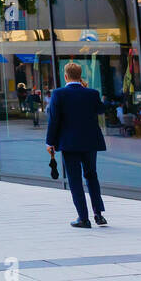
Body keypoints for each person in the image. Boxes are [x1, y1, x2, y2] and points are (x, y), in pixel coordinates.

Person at [46, 61, 108, 228]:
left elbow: (54, 120)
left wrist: (50, 142)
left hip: (69, 144)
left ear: (65, 76)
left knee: (75, 180)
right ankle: (99, 214)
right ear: (80, 76)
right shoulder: (92, 93)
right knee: (91, 176)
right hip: (90, 142)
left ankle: (83, 218)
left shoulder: (58, 94)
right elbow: (101, 110)